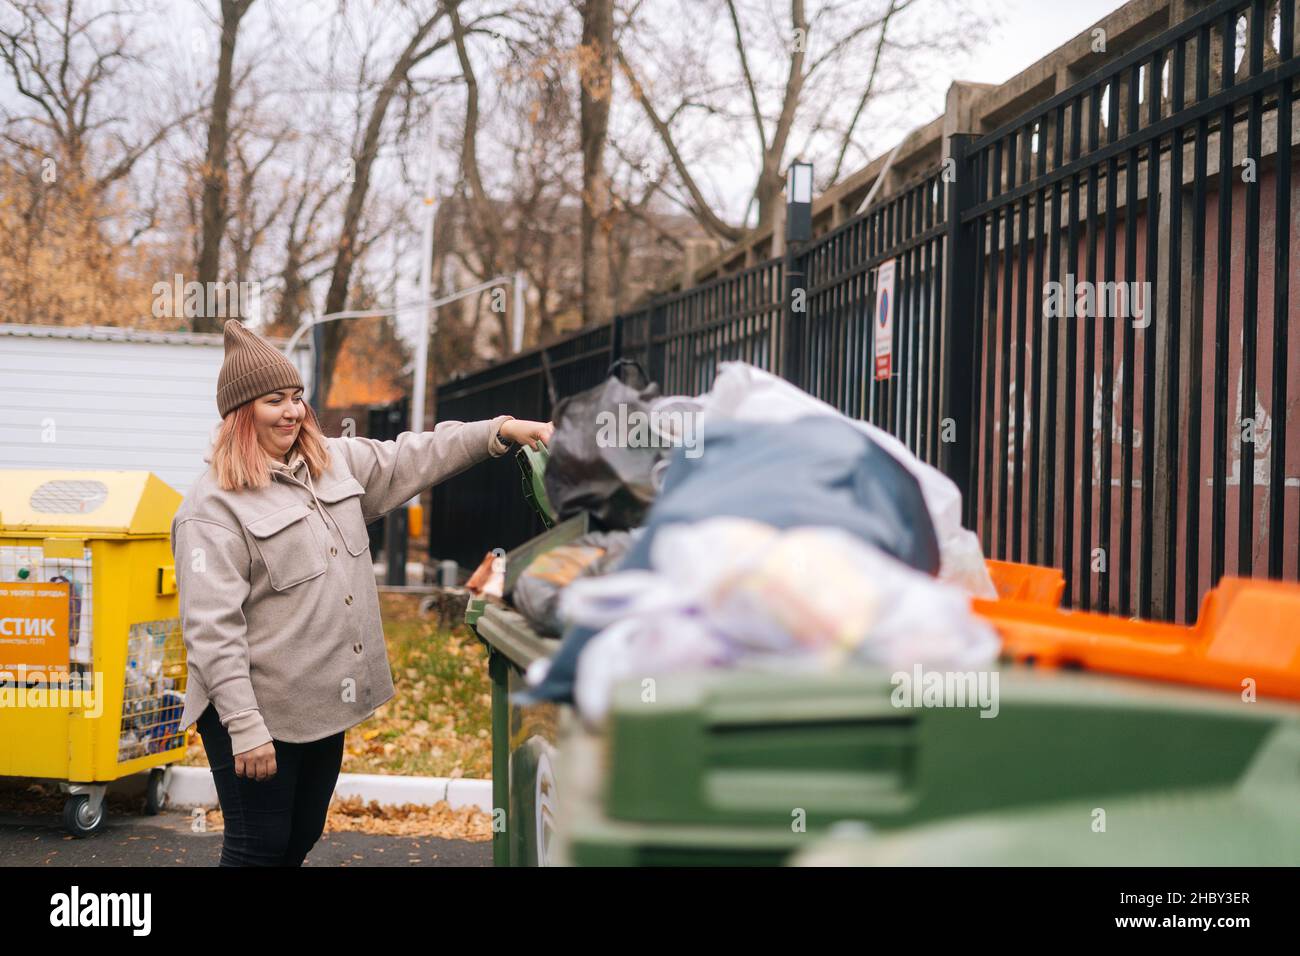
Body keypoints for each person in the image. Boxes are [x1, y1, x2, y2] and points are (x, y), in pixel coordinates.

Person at [171, 318, 552, 866]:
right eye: (273, 400)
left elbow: (413, 455)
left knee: (299, 837)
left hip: (321, 705)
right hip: (256, 713)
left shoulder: (331, 464)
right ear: (240, 414)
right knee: (257, 850)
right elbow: (211, 632)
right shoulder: (212, 509)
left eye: (297, 397)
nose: (292, 411)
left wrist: (502, 431)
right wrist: (245, 728)